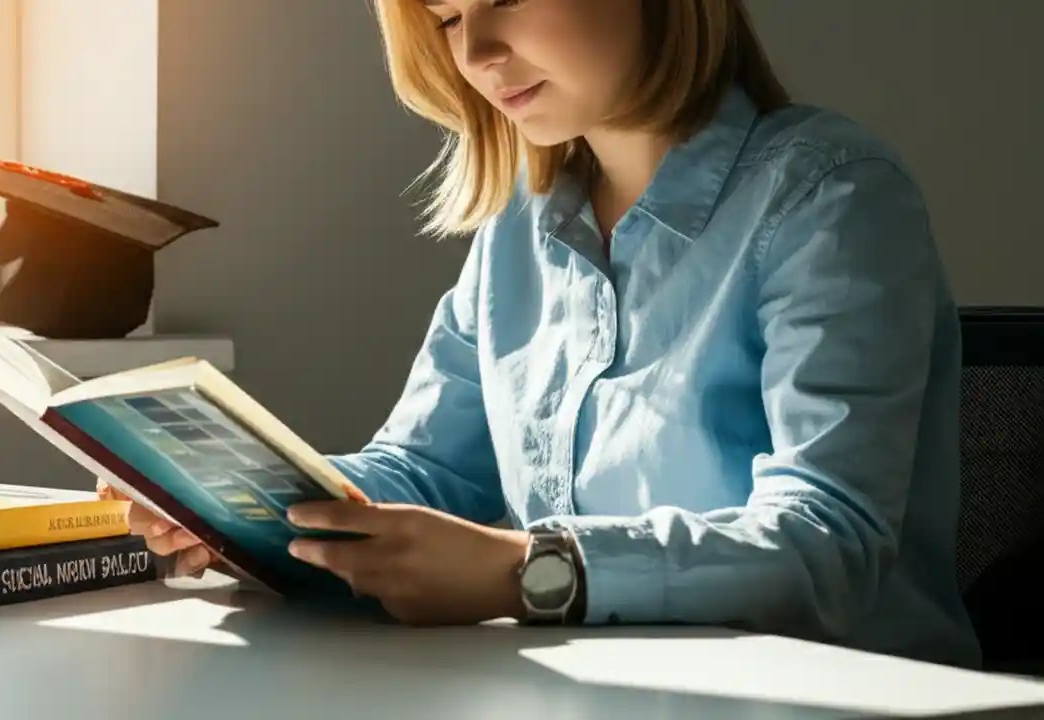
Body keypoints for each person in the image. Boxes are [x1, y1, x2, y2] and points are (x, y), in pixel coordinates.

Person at [102, 0, 982, 668]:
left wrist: (524, 570)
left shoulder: (830, 195)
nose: (477, 54)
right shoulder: (518, 236)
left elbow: (826, 544)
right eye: (447, 17)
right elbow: (423, 472)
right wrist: (244, 508)